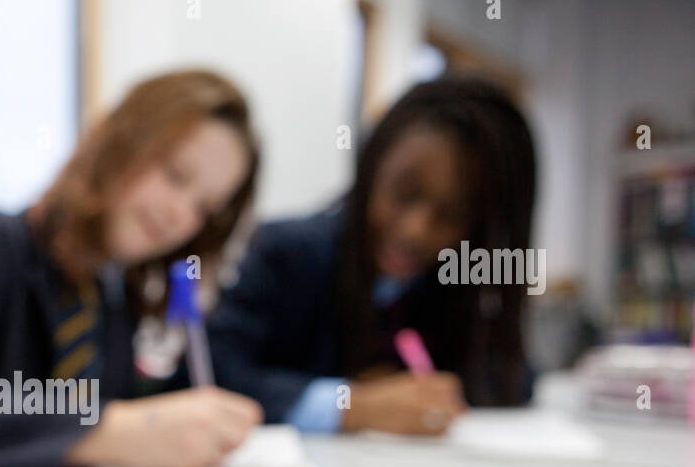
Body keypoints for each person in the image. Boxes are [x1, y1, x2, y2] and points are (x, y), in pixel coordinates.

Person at [0, 69, 264, 467]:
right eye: (175, 176)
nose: (181, 215)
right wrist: (113, 430)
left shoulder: (115, 297)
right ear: (117, 143)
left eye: (203, 208)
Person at [209, 76, 537, 436]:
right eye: (404, 193)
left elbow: (513, 377)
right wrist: (352, 404)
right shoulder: (287, 252)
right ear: (371, 168)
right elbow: (211, 372)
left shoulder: (456, 279)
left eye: (450, 215)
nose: (416, 230)